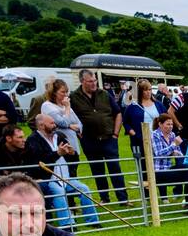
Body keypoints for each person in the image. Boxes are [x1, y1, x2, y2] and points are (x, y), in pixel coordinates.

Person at [27, 113, 100, 229]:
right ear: (41, 125)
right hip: (49, 178)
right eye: (51, 123)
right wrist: (57, 154)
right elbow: (39, 161)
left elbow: (73, 157)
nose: (54, 125)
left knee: (84, 189)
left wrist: (72, 153)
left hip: (66, 177)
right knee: (59, 192)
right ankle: (67, 224)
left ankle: (92, 220)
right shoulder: (33, 140)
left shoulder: (59, 136)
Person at [70, 70, 128, 206]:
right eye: (90, 81)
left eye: (95, 80)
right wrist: (78, 133)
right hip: (90, 140)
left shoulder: (105, 94)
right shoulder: (74, 97)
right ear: (82, 81)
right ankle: (104, 198)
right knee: (97, 170)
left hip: (109, 138)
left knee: (115, 167)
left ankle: (123, 198)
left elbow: (118, 113)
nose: (94, 83)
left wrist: (115, 134)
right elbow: (69, 117)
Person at [148, 114, 188, 203]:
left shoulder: (172, 135)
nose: (170, 127)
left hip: (169, 168)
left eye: (172, 124)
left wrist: (176, 152)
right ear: (160, 124)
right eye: (168, 124)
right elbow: (158, 154)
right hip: (158, 172)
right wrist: (173, 146)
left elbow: (179, 153)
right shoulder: (154, 135)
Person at [40, 79, 83, 177]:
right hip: (60, 147)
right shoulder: (48, 106)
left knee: (73, 174)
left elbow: (80, 125)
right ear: (54, 93)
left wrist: (69, 125)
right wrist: (67, 109)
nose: (66, 94)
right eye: (63, 92)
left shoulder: (64, 105)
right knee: (64, 176)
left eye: (67, 92)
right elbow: (63, 122)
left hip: (73, 146)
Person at [122, 79, 162, 162]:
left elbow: (165, 119)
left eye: (150, 89)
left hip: (157, 141)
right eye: (145, 90)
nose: (148, 92)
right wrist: (134, 133)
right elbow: (125, 122)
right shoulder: (133, 106)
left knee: (158, 166)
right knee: (142, 167)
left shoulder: (158, 104)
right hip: (139, 142)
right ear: (140, 91)